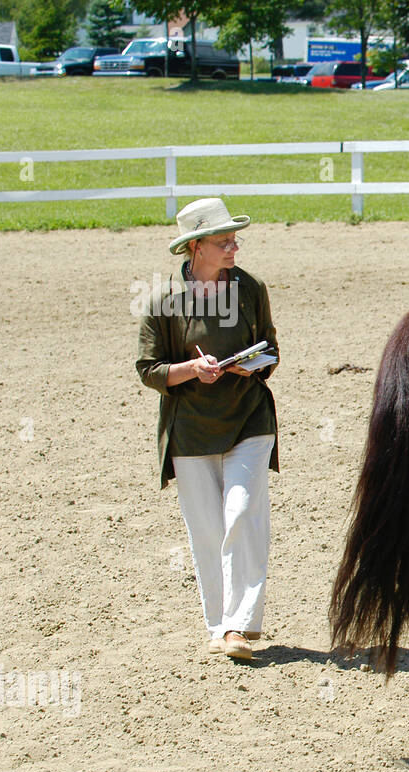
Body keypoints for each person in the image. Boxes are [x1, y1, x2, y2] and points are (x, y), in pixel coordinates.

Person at [136, 198, 280, 661]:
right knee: (207, 530)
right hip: (190, 429)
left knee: (242, 514)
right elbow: (148, 368)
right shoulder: (163, 301)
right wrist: (191, 369)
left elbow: (272, 350)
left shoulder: (251, 288)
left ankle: (240, 625)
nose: (234, 246)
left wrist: (251, 365)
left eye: (234, 239)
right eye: (224, 241)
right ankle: (219, 625)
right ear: (195, 247)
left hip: (249, 419)